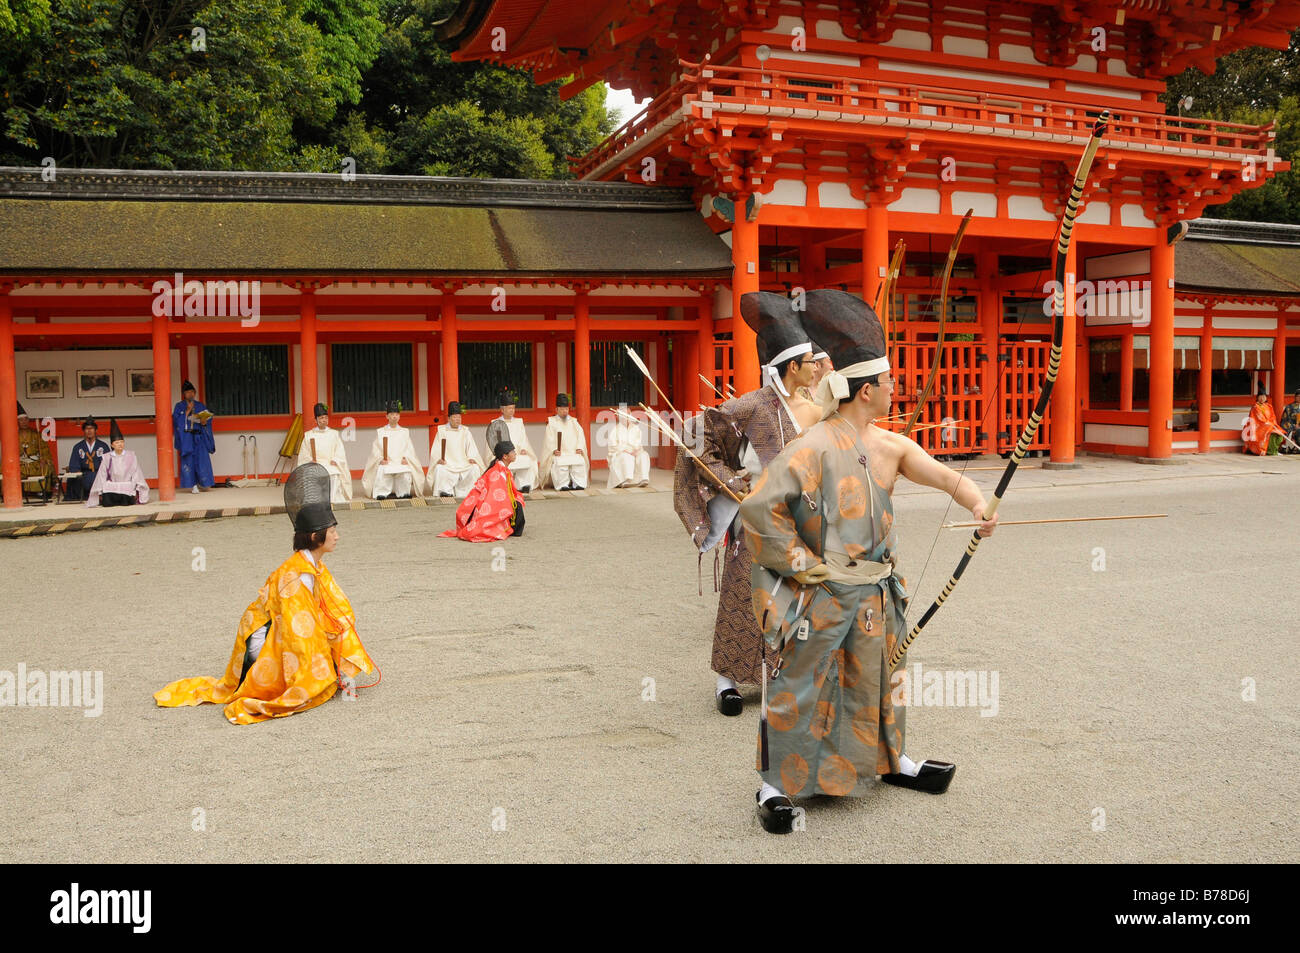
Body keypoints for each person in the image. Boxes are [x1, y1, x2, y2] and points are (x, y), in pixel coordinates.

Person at [739, 289, 997, 834]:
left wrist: (979, 504)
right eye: (887, 381)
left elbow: (947, 477)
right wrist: (803, 567)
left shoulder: (892, 445)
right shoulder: (813, 445)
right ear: (863, 390)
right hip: (825, 589)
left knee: (883, 676)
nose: (894, 386)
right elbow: (759, 509)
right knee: (800, 680)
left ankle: (890, 759)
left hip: (878, 592)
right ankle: (774, 784)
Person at [672, 291, 815, 717]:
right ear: (793, 367)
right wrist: (736, 485)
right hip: (754, 515)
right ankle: (726, 679)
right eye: (811, 362)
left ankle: (784, 675)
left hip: (796, 519)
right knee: (741, 594)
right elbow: (694, 440)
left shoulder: (813, 409)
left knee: (795, 595)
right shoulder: (752, 405)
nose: (817, 368)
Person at [155, 463, 377, 724]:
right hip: (264, 636)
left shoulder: (313, 565)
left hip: (287, 627)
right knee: (313, 657)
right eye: (332, 532)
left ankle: (332, 672)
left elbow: (333, 605)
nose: (338, 537)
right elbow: (297, 634)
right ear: (317, 537)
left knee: (339, 626)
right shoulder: (295, 575)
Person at [440, 440, 526, 541]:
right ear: (505, 456)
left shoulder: (501, 468)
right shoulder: (497, 472)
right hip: (487, 503)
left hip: (493, 501)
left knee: (517, 502)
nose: (515, 454)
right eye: (512, 452)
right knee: (516, 505)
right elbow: (494, 497)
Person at [360, 400, 424, 499]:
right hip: (387, 461)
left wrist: (406, 458)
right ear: (387, 416)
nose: (395, 416)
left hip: (400, 461)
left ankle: (403, 493)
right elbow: (375, 450)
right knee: (382, 469)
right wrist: (381, 459)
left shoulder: (404, 432)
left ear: (399, 416)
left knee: (405, 469)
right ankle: (381, 493)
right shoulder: (381, 432)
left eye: (397, 414)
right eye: (392, 414)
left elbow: (409, 448)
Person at [297, 402, 353, 502]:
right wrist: (310, 461)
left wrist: (336, 459)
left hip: (330, 463)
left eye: (326, 418)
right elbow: (304, 454)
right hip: (315, 464)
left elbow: (339, 450)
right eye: (321, 418)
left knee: (334, 474)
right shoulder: (309, 435)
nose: (324, 420)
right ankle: (316, 499)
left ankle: (332, 499)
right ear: (316, 420)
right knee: (313, 475)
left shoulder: (334, 434)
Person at [485, 389, 539, 492]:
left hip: (517, 453)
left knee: (527, 460)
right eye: (509, 408)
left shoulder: (519, 422)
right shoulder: (495, 423)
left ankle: (523, 485)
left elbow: (523, 438)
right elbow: (492, 443)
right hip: (503, 455)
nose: (512, 411)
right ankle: (504, 485)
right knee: (500, 463)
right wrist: (501, 453)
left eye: (513, 408)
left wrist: (523, 449)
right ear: (502, 409)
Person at [429, 401, 485, 499]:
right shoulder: (442, 431)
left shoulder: (465, 431)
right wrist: (439, 459)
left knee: (474, 468)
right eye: (455, 417)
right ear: (449, 418)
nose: (457, 419)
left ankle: (468, 491)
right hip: (448, 463)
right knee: (439, 468)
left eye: (459, 417)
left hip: (463, 462)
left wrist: (471, 458)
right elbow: (436, 449)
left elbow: (471, 448)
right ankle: (445, 491)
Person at [86, 418, 149, 506]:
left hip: (126, 485)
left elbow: (137, 473)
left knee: (126, 500)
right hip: (112, 485)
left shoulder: (131, 456)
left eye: (122, 442)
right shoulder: (107, 457)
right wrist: (99, 492)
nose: (120, 444)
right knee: (108, 501)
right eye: (117, 442)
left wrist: (139, 488)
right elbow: (101, 475)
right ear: (112, 445)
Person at [173, 380, 215, 494]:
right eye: (188, 392)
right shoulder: (179, 406)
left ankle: (203, 483)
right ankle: (192, 484)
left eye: (192, 392)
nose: (190, 394)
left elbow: (207, 420)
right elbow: (176, 421)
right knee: (189, 460)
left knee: (202, 460)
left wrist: (204, 422)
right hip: (187, 438)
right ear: (184, 394)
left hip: (198, 437)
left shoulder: (200, 405)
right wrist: (187, 412)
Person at [540, 394, 589, 490]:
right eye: (562, 409)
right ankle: (562, 484)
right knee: (560, 463)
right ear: (556, 409)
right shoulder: (552, 422)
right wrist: (554, 450)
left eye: (566, 409)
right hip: (560, 453)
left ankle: (579, 483)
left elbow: (580, 436)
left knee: (579, 462)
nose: (564, 412)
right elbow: (548, 440)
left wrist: (579, 447)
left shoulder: (574, 422)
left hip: (573, 452)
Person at [603, 403, 651, 489]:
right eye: (624, 415)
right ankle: (626, 480)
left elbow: (638, 443)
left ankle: (643, 478)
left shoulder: (636, 429)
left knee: (644, 455)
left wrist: (636, 451)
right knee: (626, 456)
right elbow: (613, 447)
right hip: (621, 453)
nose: (627, 417)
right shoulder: (615, 430)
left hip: (634, 452)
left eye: (628, 414)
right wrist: (624, 450)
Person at [15, 403, 55, 501]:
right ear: (17, 422)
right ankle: (16, 492)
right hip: (20, 462)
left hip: (35, 462)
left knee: (46, 466)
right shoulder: (14, 435)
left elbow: (44, 449)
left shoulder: (36, 434)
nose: (23, 422)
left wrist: (44, 459)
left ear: (28, 421)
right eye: (21, 420)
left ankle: (42, 491)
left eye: (25, 420)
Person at [65, 416, 109, 502]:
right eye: (86, 429)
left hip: (98, 475)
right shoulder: (78, 447)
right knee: (74, 478)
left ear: (96, 430)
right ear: (83, 431)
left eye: (91, 428)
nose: (89, 431)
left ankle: (100, 496)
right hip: (83, 476)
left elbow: (108, 465)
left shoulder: (103, 446)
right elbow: (73, 465)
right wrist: (77, 471)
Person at [1244, 390, 1283, 456]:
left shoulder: (1269, 406)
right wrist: (1267, 424)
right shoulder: (1255, 407)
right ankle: (1268, 451)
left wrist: (1272, 423)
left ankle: (1274, 450)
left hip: (1269, 425)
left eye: (1264, 396)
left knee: (1279, 433)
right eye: (1260, 396)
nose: (1262, 398)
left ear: (1266, 398)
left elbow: (1272, 417)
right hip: (1258, 427)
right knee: (1271, 434)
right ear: (1257, 398)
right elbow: (1258, 418)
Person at [1279, 389, 1300, 453]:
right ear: (1295, 397)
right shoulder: (1289, 407)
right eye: (1298, 396)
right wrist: (1294, 426)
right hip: (1293, 428)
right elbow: (1285, 420)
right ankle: (1295, 448)